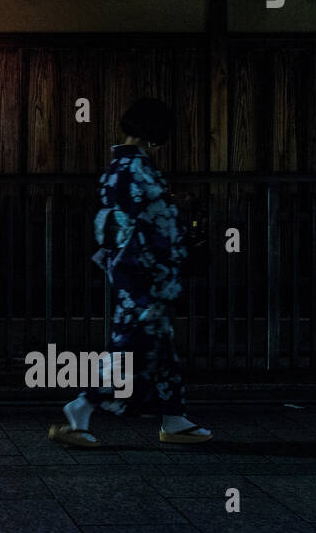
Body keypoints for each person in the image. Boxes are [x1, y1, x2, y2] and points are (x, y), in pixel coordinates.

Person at [49, 97, 213, 448]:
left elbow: (116, 226)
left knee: (157, 342)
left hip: (138, 270)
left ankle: (174, 417)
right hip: (145, 272)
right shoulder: (135, 171)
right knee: (133, 345)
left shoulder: (120, 169)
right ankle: (82, 406)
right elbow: (142, 228)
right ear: (153, 135)